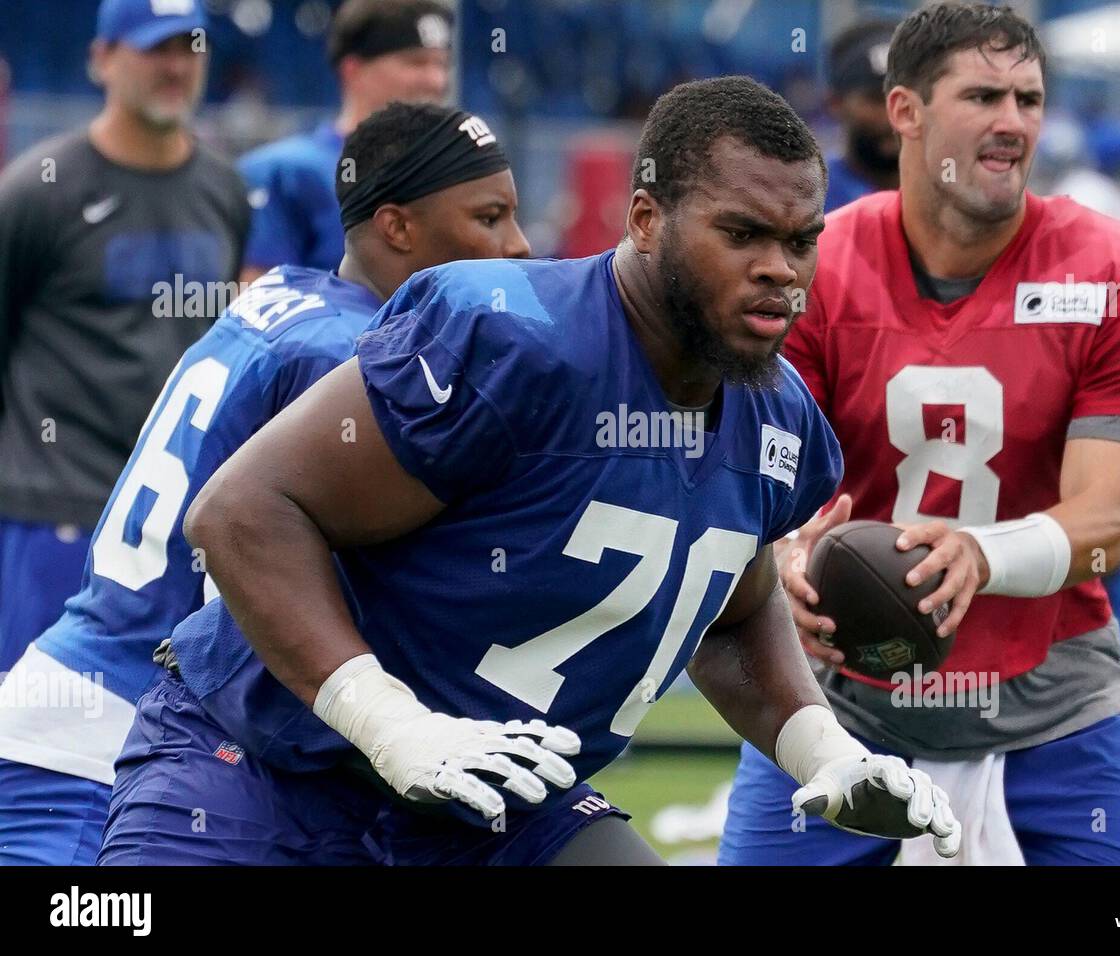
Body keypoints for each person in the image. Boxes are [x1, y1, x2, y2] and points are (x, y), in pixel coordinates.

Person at [98, 76, 961, 866]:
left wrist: (824, 748)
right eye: (742, 234)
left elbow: (733, 611)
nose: (780, 267)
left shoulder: (779, 424)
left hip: (503, 808)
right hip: (267, 770)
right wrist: (395, 725)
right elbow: (243, 510)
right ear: (646, 219)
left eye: (801, 240)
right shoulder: (510, 340)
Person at [720, 2, 1120, 866]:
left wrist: (977, 554)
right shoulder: (813, 268)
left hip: (1052, 703)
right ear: (905, 111)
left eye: (1030, 99)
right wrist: (786, 562)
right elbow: (758, 480)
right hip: (840, 709)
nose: (1013, 123)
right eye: (983, 97)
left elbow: (1107, 523)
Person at [0, 102, 528, 865]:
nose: (518, 245)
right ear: (398, 227)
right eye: (489, 217)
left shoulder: (286, 298)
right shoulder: (352, 356)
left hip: (87, 698)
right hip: (103, 743)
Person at [0, 0, 248, 675]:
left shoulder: (223, 190)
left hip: (171, 530)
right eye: (154, 48)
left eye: (189, 48)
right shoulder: (37, 192)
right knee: (28, 750)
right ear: (102, 59)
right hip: (55, 516)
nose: (175, 66)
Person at [237, 0, 454, 283]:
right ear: (353, 70)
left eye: (442, 64)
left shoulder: (451, 175)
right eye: (416, 62)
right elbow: (258, 307)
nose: (435, 80)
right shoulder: (286, 172)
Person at [823, 19, 900, 211]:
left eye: (901, 98)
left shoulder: (948, 196)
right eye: (875, 100)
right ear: (836, 103)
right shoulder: (807, 198)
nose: (892, 115)